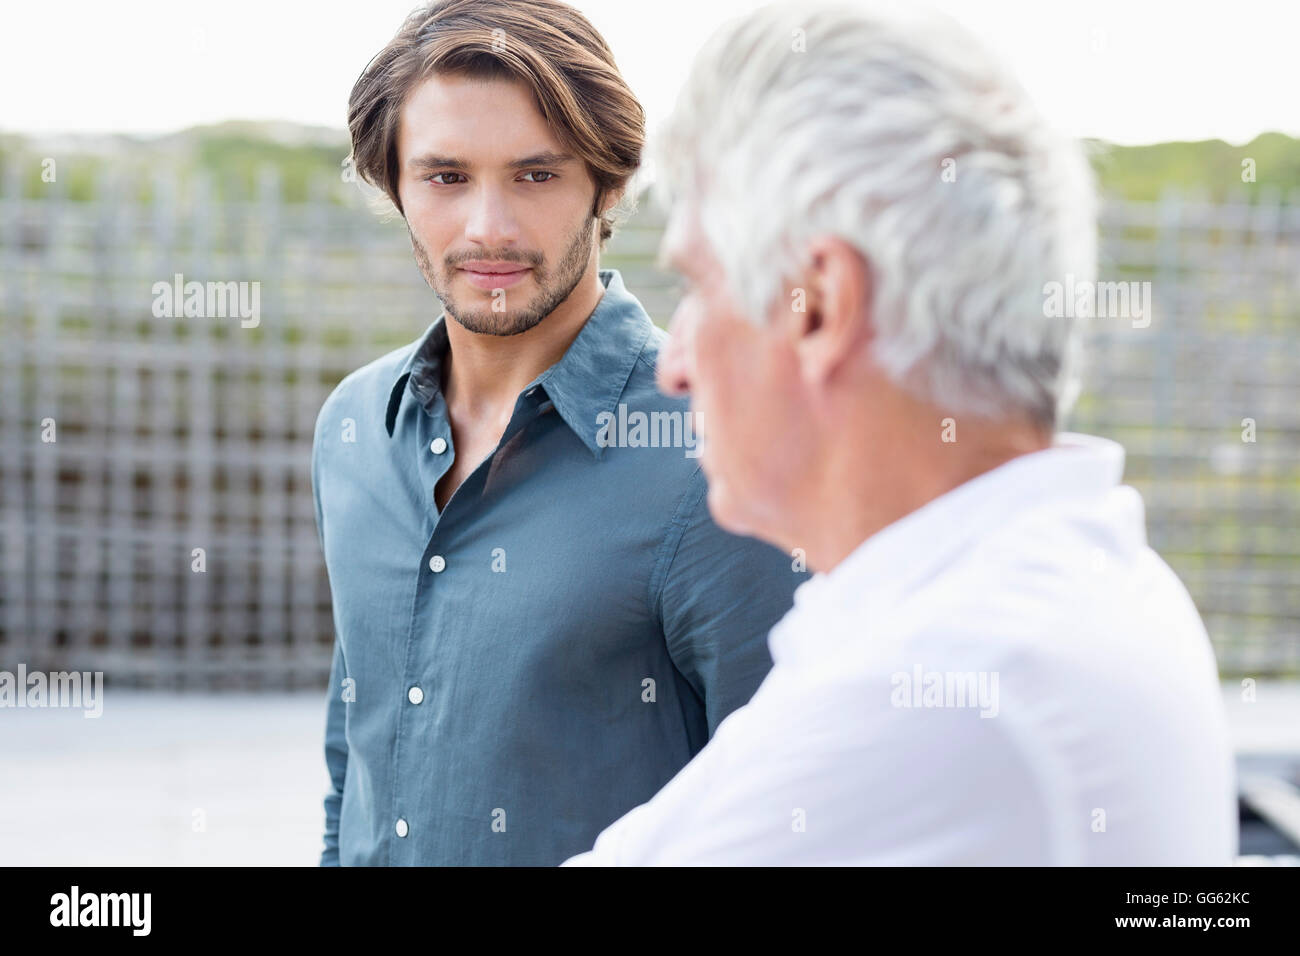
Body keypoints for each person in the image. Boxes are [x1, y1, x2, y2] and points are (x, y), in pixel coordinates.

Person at [565, 0, 1237, 865]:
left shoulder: (937, 687)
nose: (674, 364)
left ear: (822, 308)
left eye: (700, 285)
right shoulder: (1036, 590)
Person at [312, 0, 803, 866]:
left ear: (609, 186)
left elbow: (788, 812)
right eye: (446, 177)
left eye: (536, 175)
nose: (488, 229)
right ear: (393, 184)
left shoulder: (717, 449)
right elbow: (355, 757)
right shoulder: (353, 426)